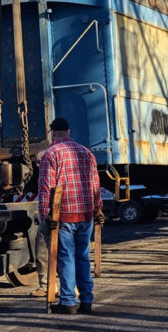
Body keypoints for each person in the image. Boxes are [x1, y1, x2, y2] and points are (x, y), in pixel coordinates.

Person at [37, 117, 103, 314]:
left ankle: (67, 302)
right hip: (86, 214)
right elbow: (95, 186)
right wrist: (98, 209)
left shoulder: (51, 154)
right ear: (69, 131)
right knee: (82, 257)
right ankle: (87, 300)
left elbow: (46, 188)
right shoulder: (86, 153)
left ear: (53, 133)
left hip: (64, 214)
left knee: (65, 258)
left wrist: (44, 216)